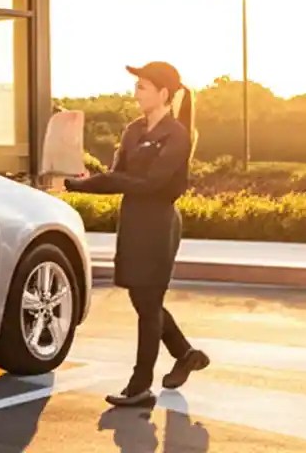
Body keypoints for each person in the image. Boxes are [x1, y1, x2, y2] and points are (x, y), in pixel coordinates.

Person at [64, 61, 210, 407]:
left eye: (143, 87)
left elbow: (154, 183)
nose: (136, 92)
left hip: (159, 224)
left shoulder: (177, 135)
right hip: (132, 222)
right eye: (137, 86)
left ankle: (140, 386)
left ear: (164, 94)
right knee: (144, 300)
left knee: (148, 304)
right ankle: (186, 354)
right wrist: (77, 185)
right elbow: (118, 175)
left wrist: (108, 181)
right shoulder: (133, 130)